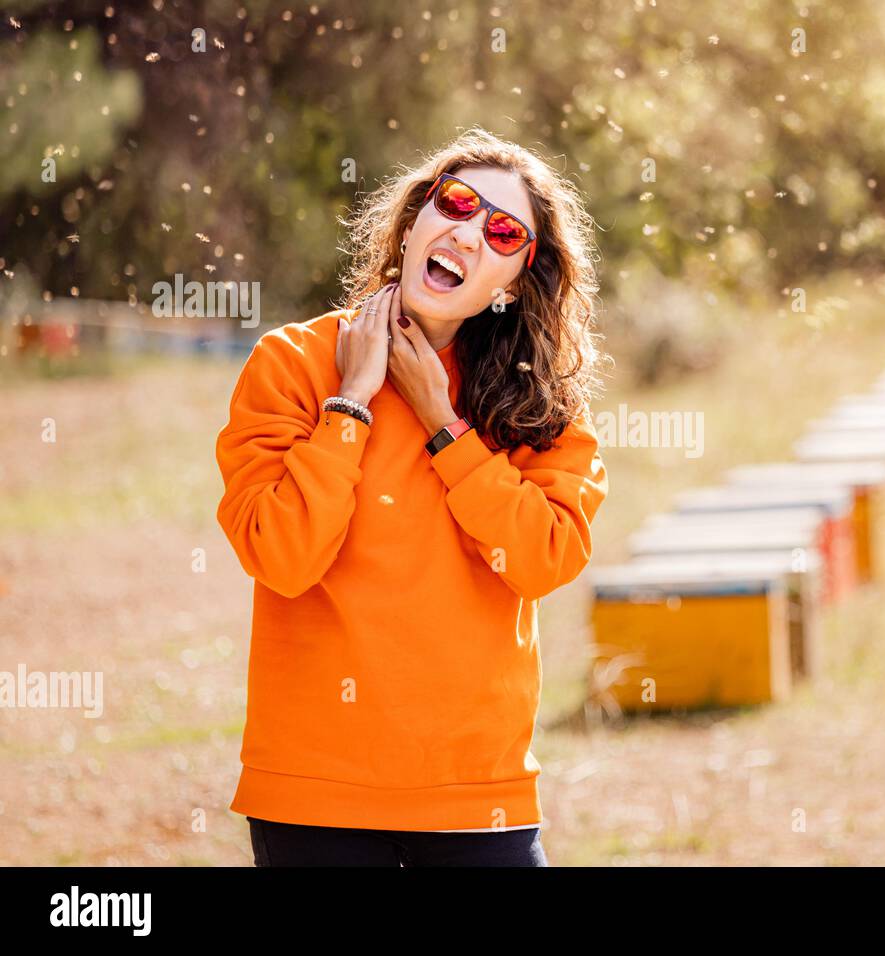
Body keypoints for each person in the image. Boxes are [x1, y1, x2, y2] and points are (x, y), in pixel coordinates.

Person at [214, 128, 609, 866]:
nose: (466, 232)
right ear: (414, 220)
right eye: (454, 204)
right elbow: (282, 557)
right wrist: (352, 404)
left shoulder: (540, 406)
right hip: (312, 795)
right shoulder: (292, 365)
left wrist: (446, 428)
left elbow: (544, 560)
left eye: (500, 231)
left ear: (518, 279)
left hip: (476, 792)